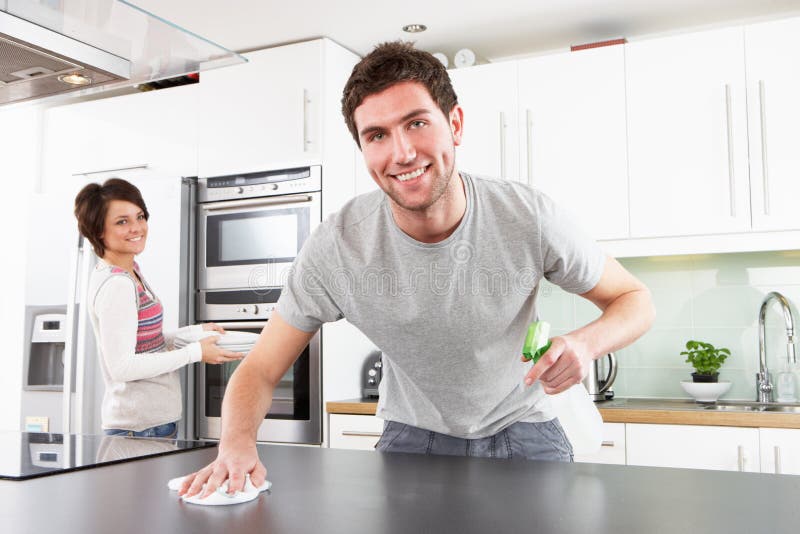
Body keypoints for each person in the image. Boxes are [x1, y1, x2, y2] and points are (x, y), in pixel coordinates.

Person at [181, 41, 655, 498]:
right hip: (413, 440)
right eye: (377, 135)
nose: (402, 153)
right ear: (363, 149)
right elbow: (261, 367)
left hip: (525, 434)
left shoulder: (528, 216)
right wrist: (235, 445)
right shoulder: (338, 246)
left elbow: (635, 301)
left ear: (455, 124)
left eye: (417, 123)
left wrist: (583, 343)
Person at [74, 178, 244, 438]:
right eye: (122, 221)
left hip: (150, 423)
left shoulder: (130, 272)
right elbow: (122, 366)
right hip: (139, 427)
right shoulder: (117, 284)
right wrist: (194, 353)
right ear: (98, 230)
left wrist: (192, 332)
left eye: (140, 216)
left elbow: (143, 343)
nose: (137, 228)